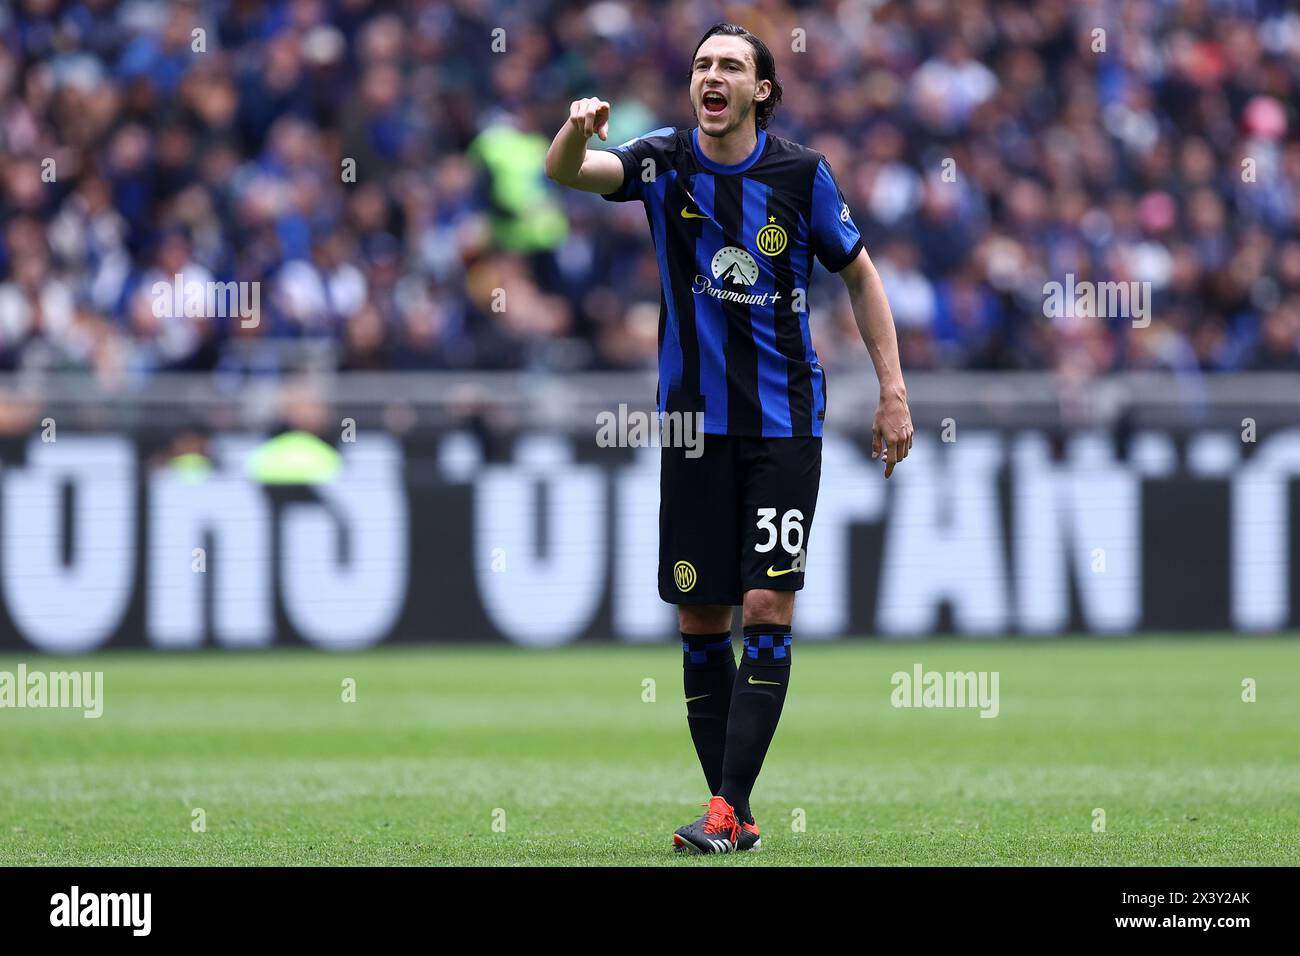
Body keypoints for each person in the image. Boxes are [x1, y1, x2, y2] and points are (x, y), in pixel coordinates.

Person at [545, 21, 913, 853]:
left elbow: (861, 274)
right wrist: (575, 126)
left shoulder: (801, 175)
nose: (712, 76)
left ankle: (724, 809)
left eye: (731, 66)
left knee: (765, 602)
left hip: (784, 426)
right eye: (703, 64)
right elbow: (566, 172)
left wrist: (893, 390)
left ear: (761, 91)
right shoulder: (661, 159)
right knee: (702, 618)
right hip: (691, 427)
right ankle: (732, 813)